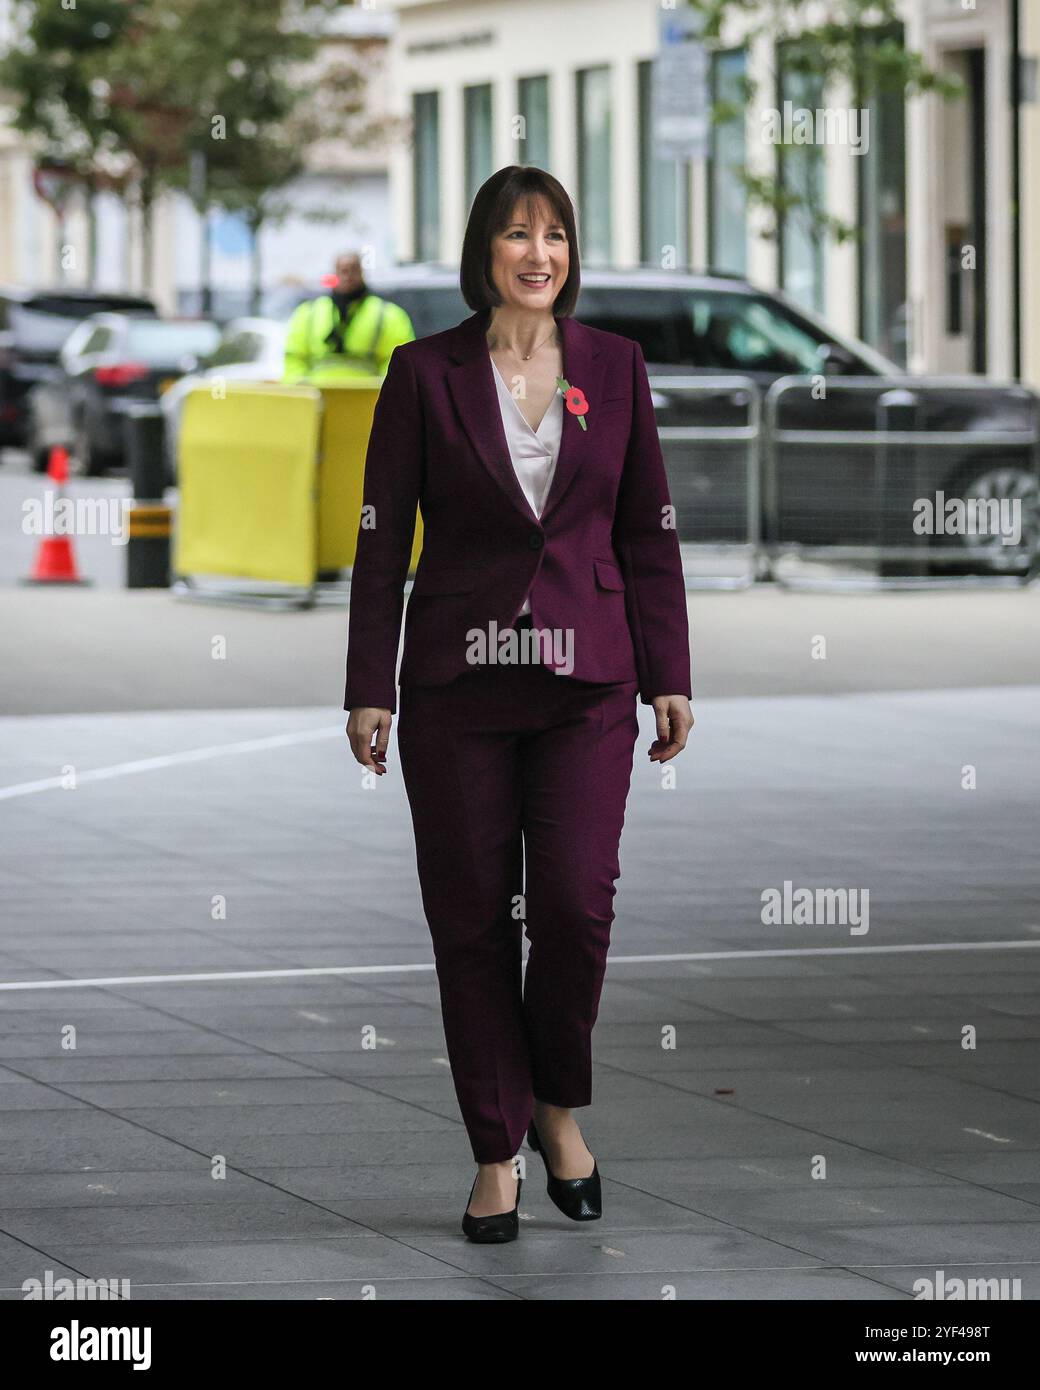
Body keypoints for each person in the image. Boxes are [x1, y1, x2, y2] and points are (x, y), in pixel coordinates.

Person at [343, 166, 694, 1244]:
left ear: (570, 255)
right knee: (472, 922)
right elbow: (377, 542)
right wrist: (367, 688)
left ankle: (557, 1106)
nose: (536, 253)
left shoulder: (616, 368)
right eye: (514, 234)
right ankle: (496, 1150)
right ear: (481, 253)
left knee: (578, 907)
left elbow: (647, 530)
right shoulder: (421, 374)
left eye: (553, 235)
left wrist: (667, 669)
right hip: (456, 687)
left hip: (586, 684)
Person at [282, 252, 414, 384]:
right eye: (343, 271)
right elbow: (294, 357)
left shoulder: (389, 315)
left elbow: (399, 362)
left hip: (368, 399)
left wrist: (388, 393)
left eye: (354, 271)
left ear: (362, 273)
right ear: (335, 273)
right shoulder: (308, 313)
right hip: (319, 398)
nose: (348, 277)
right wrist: (300, 390)